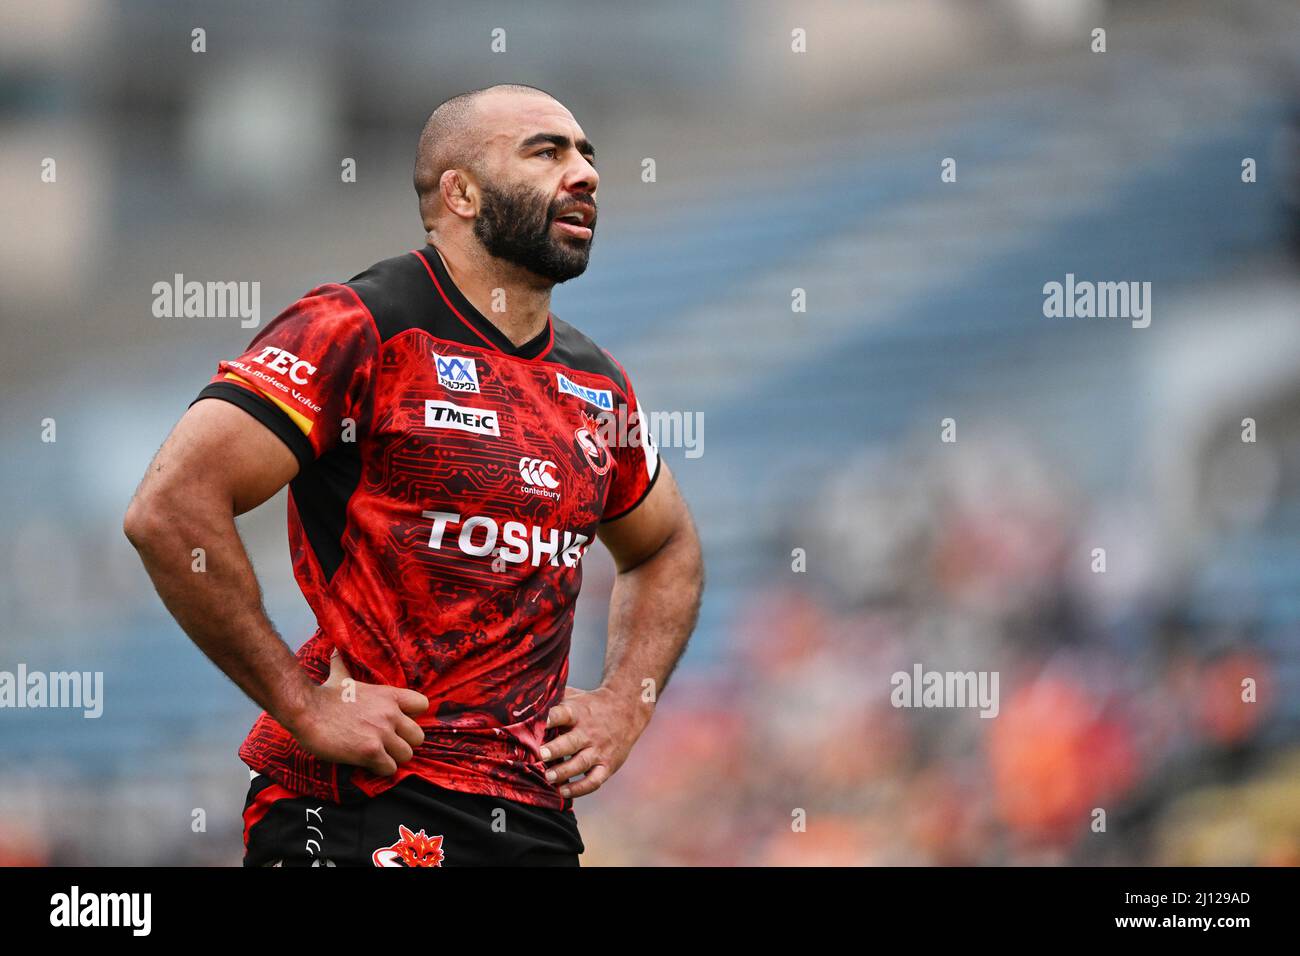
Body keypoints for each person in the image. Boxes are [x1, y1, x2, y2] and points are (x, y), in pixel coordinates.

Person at [124, 84, 704, 866]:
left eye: (586, 155)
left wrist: (623, 706)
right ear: (461, 192)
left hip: (532, 815)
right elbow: (170, 507)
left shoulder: (596, 384)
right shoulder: (358, 326)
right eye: (547, 151)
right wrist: (302, 705)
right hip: (365, 796)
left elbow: (664, 547)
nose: (585, 173)